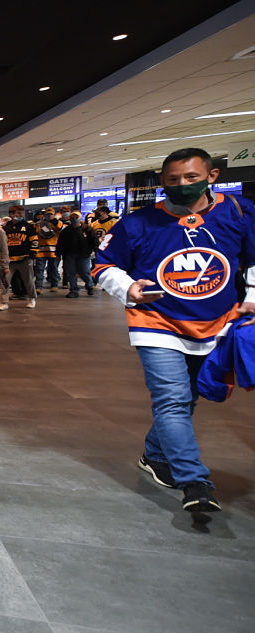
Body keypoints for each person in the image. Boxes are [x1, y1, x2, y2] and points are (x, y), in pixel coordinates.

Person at [93, 148, 255, 512]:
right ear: (162, 181)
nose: (181, 185)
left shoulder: (238, 213)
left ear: (211, 176)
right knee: (171, 399)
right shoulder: (138, 223)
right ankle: (194, 480)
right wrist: (127, 287)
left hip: (216, 321)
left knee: (189, 397)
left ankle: (154, 455)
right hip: (156, 323)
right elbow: (103, 264)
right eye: (172, 180)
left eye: (191, 178)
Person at [2, 204, 38, 309]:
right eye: (18, 213)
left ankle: (32, 299)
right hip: (9, 260)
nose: (20, 215)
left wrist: (32, 253)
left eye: (21, 213)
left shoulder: (28, 226)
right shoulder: (5, 228)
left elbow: (34, 241)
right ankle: (4, 302)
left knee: (29, 281)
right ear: (11, 214)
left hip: (24, 259)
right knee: (4, 281)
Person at [56, 212, 97, 298]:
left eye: (76, 217)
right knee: (71, 273)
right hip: (69, 255)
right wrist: (58, 254)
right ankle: (74, 290)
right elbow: (60, 243)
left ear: (80, 218)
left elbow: (94, 241)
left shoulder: (87, 229)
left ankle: (90, 285)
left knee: (84, 271)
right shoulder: (66, 231)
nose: (74, 219)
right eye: (72, 217)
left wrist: (96, 251)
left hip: (84, 254)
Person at [34, 208, 63, 292]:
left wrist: (54, 221)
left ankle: (54, 285)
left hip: (53, 251)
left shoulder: (58, 223)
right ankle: (38, 286)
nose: (49, 216)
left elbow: (60, 228)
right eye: (47, 214)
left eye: (51, 214)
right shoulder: (39, 224)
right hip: (41, 251)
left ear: (54, 215)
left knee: (53, 269)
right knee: (39, 270)